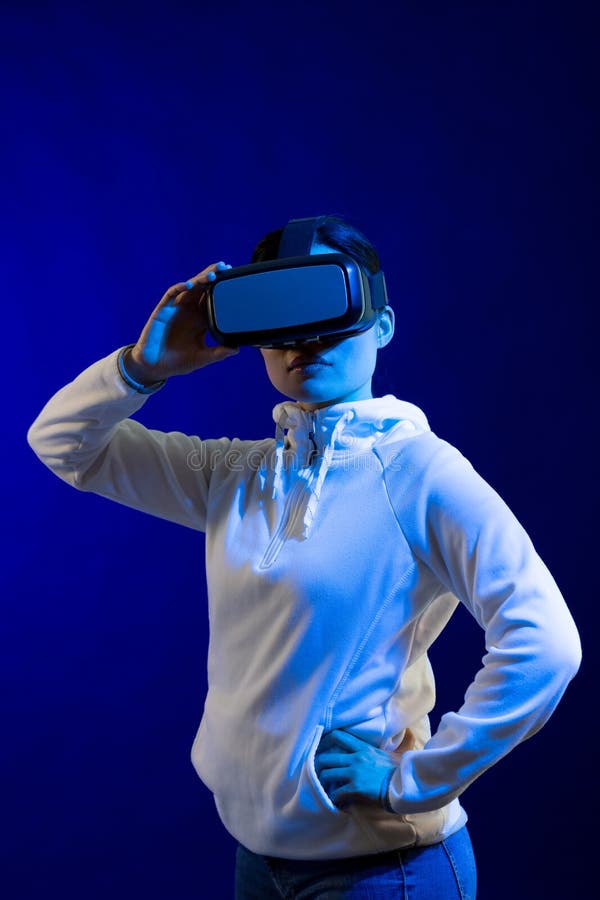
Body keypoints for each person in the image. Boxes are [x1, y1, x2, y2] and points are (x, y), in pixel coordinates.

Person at [27, 214, 581, 899]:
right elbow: (61, 444)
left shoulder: (421, 474)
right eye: (280, 319)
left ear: (381, 325)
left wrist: (416, 779)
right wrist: (144, 367)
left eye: (327, 310)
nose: (302, 342)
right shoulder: (236, 475)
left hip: (385, 870)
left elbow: (547, 642)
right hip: (258, 859)